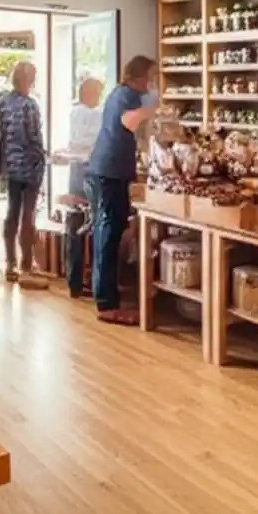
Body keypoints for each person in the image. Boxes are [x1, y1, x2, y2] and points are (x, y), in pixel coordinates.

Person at [87, 56, 157, 325]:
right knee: (107, 233)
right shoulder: (125, 95)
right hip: (108, 173)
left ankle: (108, 296)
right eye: (152, 77)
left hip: (112, 171)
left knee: (111, 232)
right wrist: (152, 107)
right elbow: (129, 123)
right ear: (139, 77)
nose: (154, 83)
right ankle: (106, 304)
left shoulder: (123, 94)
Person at [0, 61, 45, 282]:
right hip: (30, 166)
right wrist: (43, 156)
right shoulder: (30, 105)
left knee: (11, 213)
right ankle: (26, 265)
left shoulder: (2, 102)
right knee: (28, 215)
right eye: (32, 77)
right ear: (27, 79)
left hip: (10, 167)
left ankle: (10, 263)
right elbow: (33, 136)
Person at [52, 77, 103, 297]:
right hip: (90, 172)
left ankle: (74, 280)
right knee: (93, 224)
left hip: (75, 172)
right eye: (97, 94)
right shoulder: (94, 115)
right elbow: (97, 142)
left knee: (74, 225)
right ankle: (94, 280)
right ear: (90, 94)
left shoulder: (74, 113)